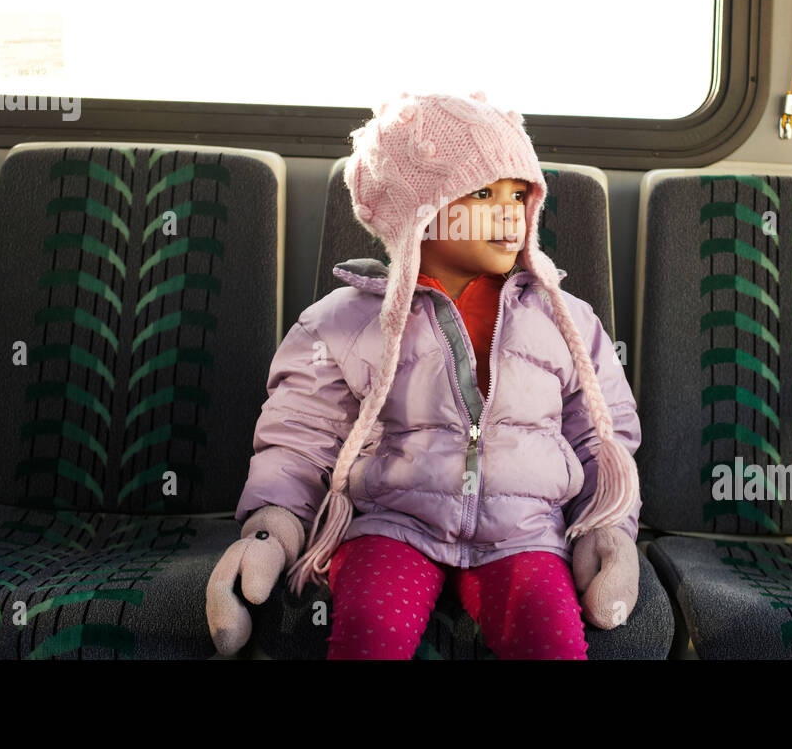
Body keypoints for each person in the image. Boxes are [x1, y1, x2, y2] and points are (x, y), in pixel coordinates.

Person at [206, 91, 642, 659]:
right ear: (420, 210)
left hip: (526, 531)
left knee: (553, 642)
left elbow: (603, 437)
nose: (511, 212)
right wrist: (275, 528)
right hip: (394, 524)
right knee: (368, 635)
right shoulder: (343, 323)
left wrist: (607, 527)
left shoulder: (564, 318)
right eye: (484, 194)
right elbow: (300, 440)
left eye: (519, 194)